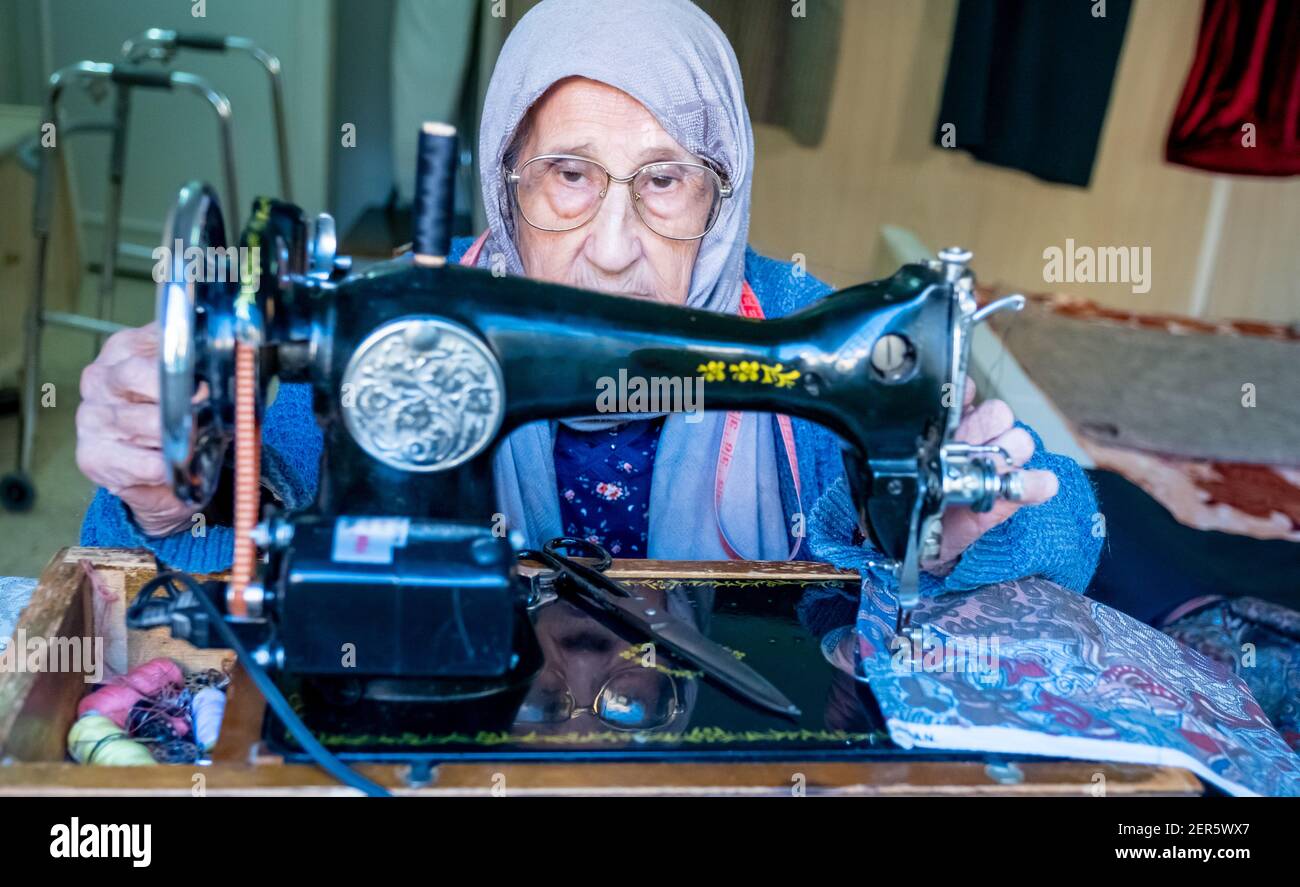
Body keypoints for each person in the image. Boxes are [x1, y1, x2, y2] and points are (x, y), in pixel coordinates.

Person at [77, 0, 1101, 596]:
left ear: (723, 190)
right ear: (501, 178)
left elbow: (1077, 530)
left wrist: (924, 539)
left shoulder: (804, 319)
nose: (612, 248)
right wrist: (162, 494)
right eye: (568, 174)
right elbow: (132, 573)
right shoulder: (378, 338)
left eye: (664, 180)